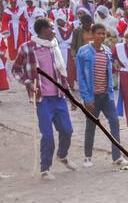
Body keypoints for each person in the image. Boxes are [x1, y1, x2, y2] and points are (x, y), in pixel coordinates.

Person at [14, 17, 75, 179]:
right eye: (51, 28)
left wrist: (70, 95)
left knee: (67, 130)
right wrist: (28, 83)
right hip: (42, 99)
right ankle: (45, 168)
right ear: (42, 30)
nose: (54, 31)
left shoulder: (54, 46)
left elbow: (62, 73)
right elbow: (15, 70)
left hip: (59, 97)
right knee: (47, 135)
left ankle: (62, 155)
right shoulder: (27, 48)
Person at [75, 21, 121, 167]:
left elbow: (108, 76)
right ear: (92, 35)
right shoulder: (83, 52)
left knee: (114, 122)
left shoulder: (107, 51)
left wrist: (111, 95)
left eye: (103, 34)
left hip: (105, 96)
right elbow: (81, 76)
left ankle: (117, 157)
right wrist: (86, 98)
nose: (101, 36)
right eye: (99, 33)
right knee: (91, 126)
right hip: (91, 98)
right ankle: (87, 157)